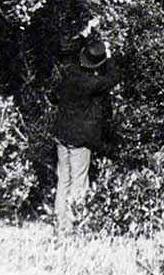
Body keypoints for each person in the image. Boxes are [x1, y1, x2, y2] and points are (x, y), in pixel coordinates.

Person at [52, 37, 121, 231]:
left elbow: (70, 58)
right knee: (79, 181)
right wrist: (109, 56)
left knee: (63, 179)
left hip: (61, 135)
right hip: (80, 139)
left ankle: (61, 224)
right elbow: (114, 78)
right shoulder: (92, 83)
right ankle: (74, 226)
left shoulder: (69, 73)